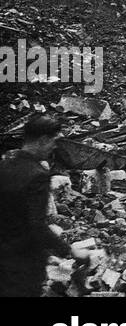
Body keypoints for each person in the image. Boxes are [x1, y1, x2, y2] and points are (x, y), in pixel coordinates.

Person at [0, 115, 91, 296]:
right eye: (54, 141)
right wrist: (70, 250)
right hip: (23, 266)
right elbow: (36, 225)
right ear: (43, 140)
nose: (55, 147)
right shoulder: (37, 175)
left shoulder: (4, 165)